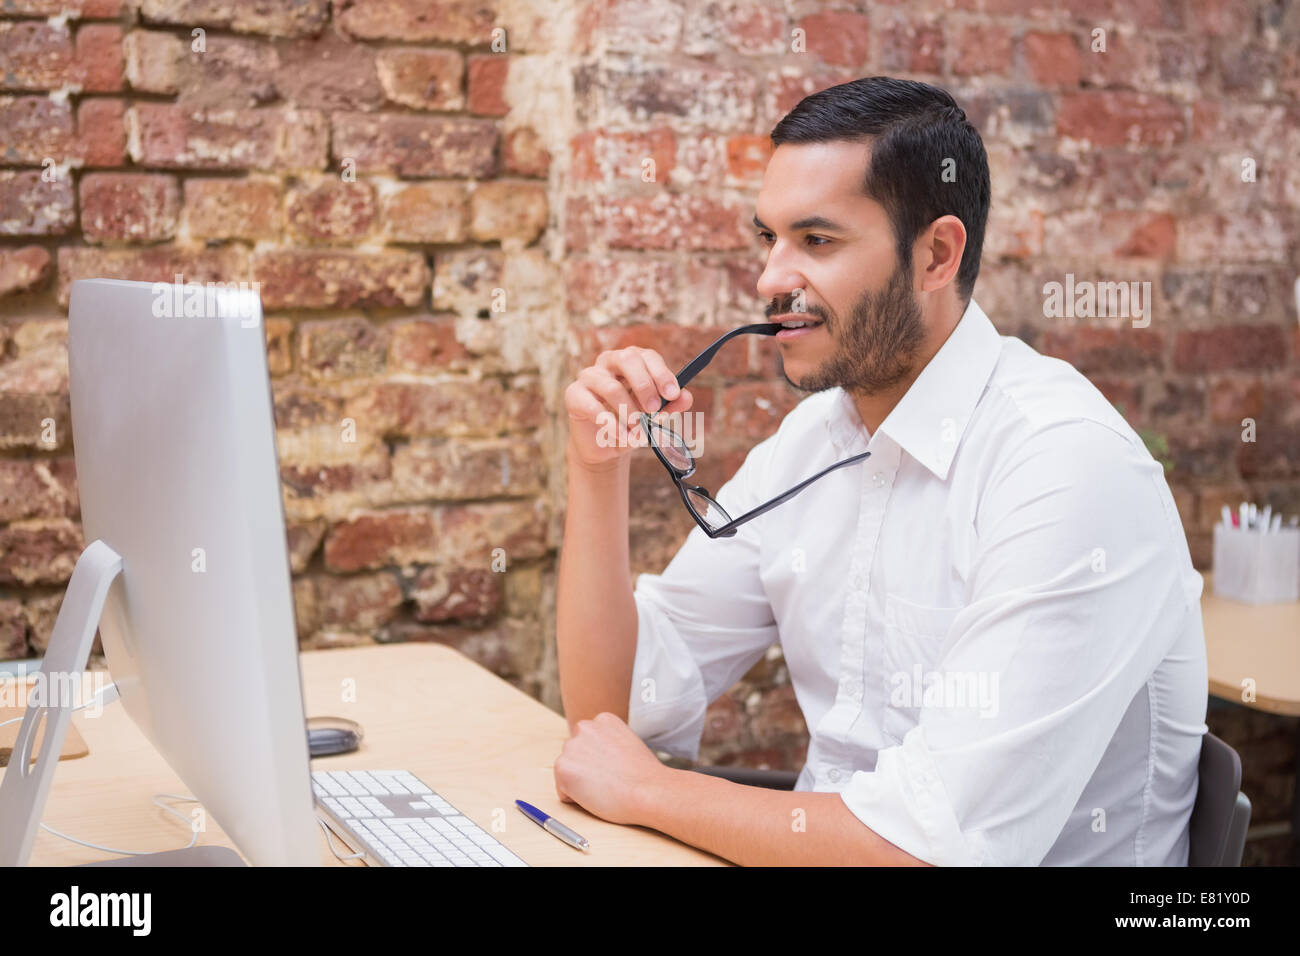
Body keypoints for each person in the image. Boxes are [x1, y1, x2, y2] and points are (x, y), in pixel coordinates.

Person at [553, 76, 1208, 866]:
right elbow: (612, 714)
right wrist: (596, 472)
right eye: (770, 239)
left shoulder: (1065, 465)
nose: (770, 279)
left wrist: (651, 792)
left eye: (817, 241)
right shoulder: (816, 442)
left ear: (936, 254)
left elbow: (934, 851)